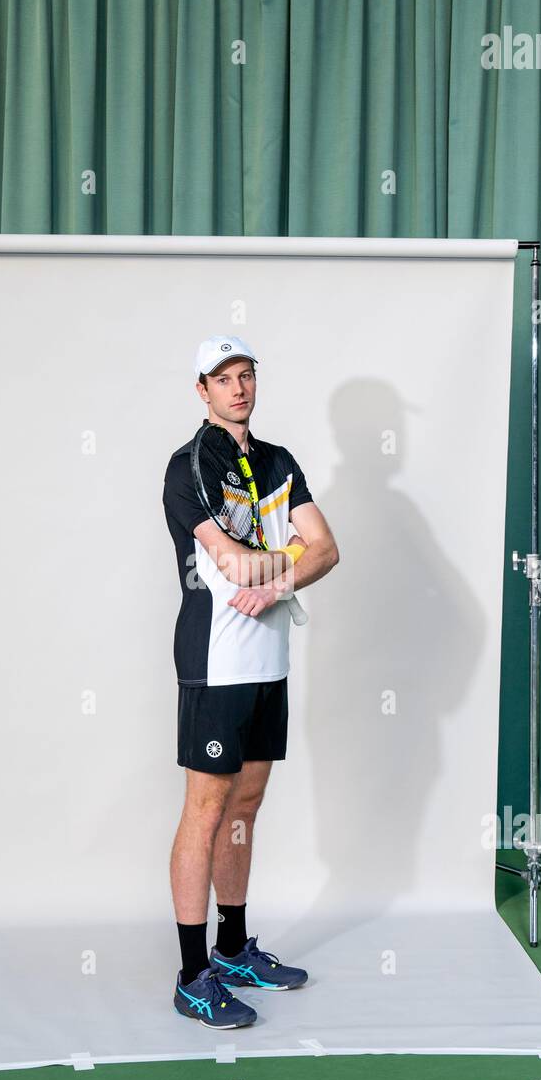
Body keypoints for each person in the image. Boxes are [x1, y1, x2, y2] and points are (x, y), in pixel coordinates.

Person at [161, 335, 340, 1028]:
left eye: (246, 375)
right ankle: (192, 975)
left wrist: (279, 579)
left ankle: (233, 950)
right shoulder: (190, 465)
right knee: (205, 811)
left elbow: (330, 549)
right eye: (223, 378)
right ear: (201, 390)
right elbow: (233, 565)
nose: (238, 388)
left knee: (246, 806)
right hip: (216, 658)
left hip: (269, 657)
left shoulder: (277, 461)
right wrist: (292, 555)